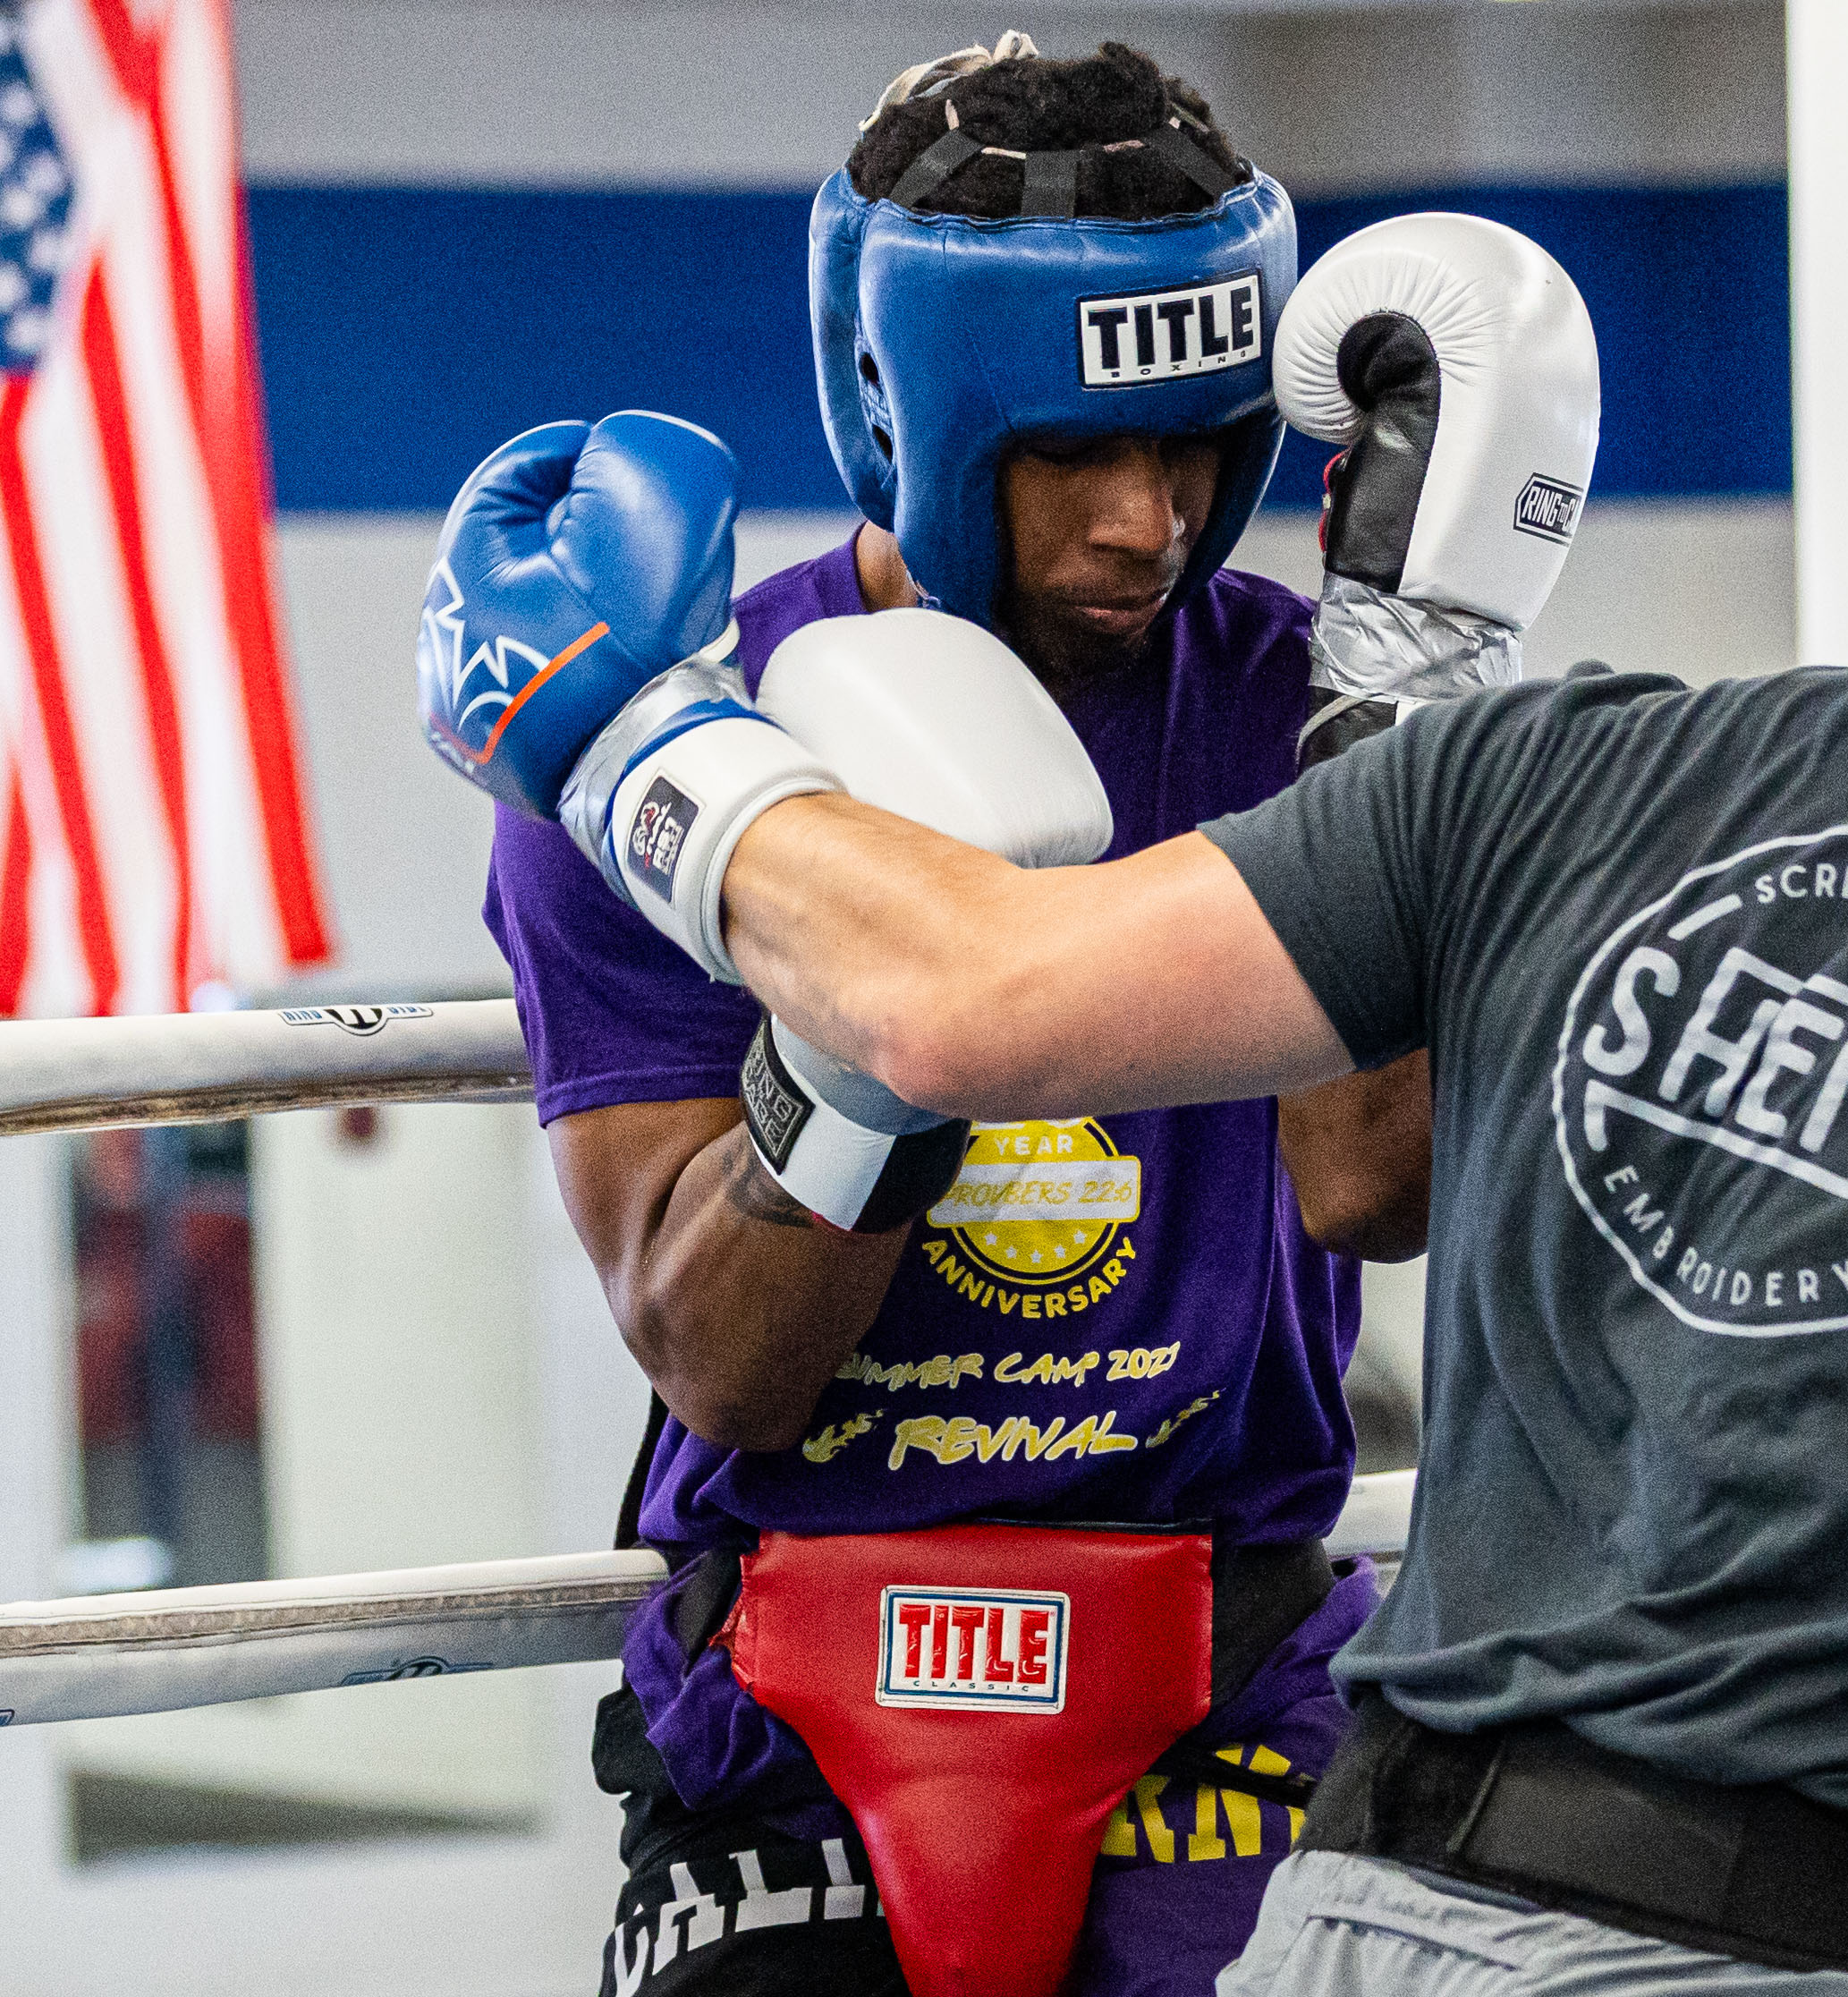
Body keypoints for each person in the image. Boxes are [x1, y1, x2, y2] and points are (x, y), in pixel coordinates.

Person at [426, 203, 1848, 1997]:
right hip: (1790, 1944)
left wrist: (615, 735)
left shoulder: (1558, 768)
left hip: (1349, 1916)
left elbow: (953, 997)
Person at [437, 35, 1589, 1997]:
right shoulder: (673, 750)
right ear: (903, 411)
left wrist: (1416, 705)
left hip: (1223, 1678)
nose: (1150, 520)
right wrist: (882, 1004)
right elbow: (722, 1366)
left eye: (1203, 446)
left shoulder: (1299, 700)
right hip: (799, 1695)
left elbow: (1364, 1184)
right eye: (1072, 451)